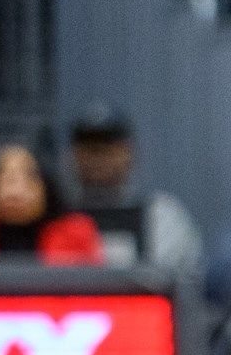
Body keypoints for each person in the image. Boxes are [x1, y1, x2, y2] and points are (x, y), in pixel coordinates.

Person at [66, 104, 202, 275]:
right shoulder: (56, 215)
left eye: (108, 146)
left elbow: (176, 282)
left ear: (130, 153)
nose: (98, 155)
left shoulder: (161, 214)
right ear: (72, 156)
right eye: (88, 147)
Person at [0, 145, 103, 265]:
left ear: (46, 185)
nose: (15, 189)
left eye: (28, 177)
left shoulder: (77, 235)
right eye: (6, 178)